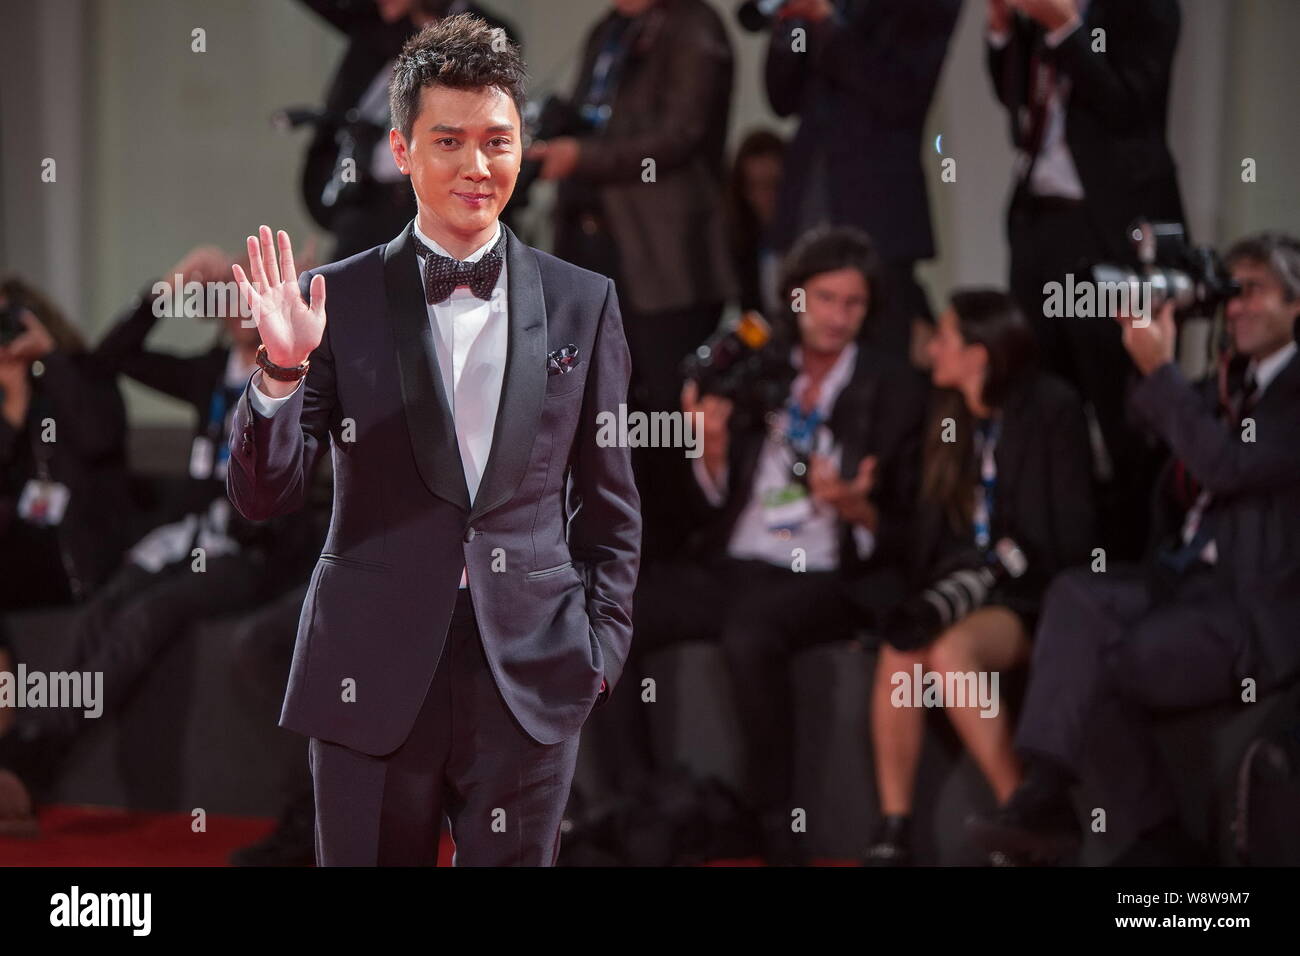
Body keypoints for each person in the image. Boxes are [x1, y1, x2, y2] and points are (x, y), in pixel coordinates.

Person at [226, 15, 641, 866]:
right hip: (368, 664)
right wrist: (279, 374)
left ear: (524, 148)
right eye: (447, 140)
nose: (476, 166)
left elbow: (610, 504)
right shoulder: (331, 299)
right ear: (402, 151)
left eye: (497, 140)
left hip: (531, 670)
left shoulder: (583, 301)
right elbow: (263, 497)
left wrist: (597, 652)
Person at [587, 227, 925, 865]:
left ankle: (771, 816)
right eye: (825, 299)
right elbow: (698, 506)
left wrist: (854, 505)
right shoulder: (754, 367)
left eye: (853, 303)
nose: (836, 317)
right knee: (612, 611)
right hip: (736, 561)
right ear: (796, 298)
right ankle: (639, 801)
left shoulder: (894, 388)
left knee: (751, 632)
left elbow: (909, 527)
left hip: (826, 573)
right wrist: (707, 454)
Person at [967, 232, 1300, 865]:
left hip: (1253, 604)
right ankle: (1046, 799)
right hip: (1183, 582)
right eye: (1230, 295)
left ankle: (1156, 839)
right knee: (1074, 597)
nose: (1235, 308)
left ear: (1298, 306)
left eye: (1253, 292)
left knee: (1106, 664)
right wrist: (1149, 344)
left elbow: (1228, 466)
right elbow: (1144, 427)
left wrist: (1161, 372)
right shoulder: (1226, 385)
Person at [0, 250, 320, 831]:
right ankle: (30, 758)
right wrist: (167, 289)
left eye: (272, 289)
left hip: (248, 553)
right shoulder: (208, 373)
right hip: (179, 541)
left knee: (145, 616)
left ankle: (26, 764)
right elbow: (109, 357)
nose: (253, 304)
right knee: (101, 613)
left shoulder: (304, 374)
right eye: (244, 291)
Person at [861, 289, 1095, 865]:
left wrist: (992, 568)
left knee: (949, 652)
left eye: (944, 336)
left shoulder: (1051, 408)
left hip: (1036, 594)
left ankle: (1024, 816)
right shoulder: (946, 418)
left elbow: (1068, 538)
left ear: (980, 352)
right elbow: (923, 541)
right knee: (902, 648)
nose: (931, 346)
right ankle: (894, 830)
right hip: (962, 589)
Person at [531, 0, 736, 563]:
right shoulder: (609, 29)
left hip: (663, 257)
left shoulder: (694, 25)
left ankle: (684, 547)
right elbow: (589, 113)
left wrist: (583, 158)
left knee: (666, 409)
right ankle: (614, 547)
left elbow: (679, 134)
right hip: (592, 242)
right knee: (601, 403)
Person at [986, 0, 1184, 560]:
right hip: (1038, 225)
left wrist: (1063, 27)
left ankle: (1136, 555)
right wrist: (1001, 30)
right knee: (1045, 395)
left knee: (1119, 397)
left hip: (1108, 232)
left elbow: (1128, 105)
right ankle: (1053, 551)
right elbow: (1016, 101)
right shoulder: (1037, 13)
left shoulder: (1147, 11)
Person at [764, 0, 961, 361]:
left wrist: (827, 24)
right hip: (809, 197)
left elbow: (901, 94)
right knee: (799, 353)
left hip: (879, 209)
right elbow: (781, 97)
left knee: (882, 357)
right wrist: (791, 25)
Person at [297, 0, 519, 260]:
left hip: (435, 200)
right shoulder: (379, 24)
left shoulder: (490, 32)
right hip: (366, 194)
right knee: (342, 289)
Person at [0, 277, 131, 609]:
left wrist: (49, 359)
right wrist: (13, 408)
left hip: (79, 548)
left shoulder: (82, 372)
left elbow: (99, 436)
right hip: (22, 542)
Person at [725, 129, 786, 319]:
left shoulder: (813, 247)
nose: (765, 197)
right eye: (755, 186)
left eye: (773, 184)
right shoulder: (742, 245)